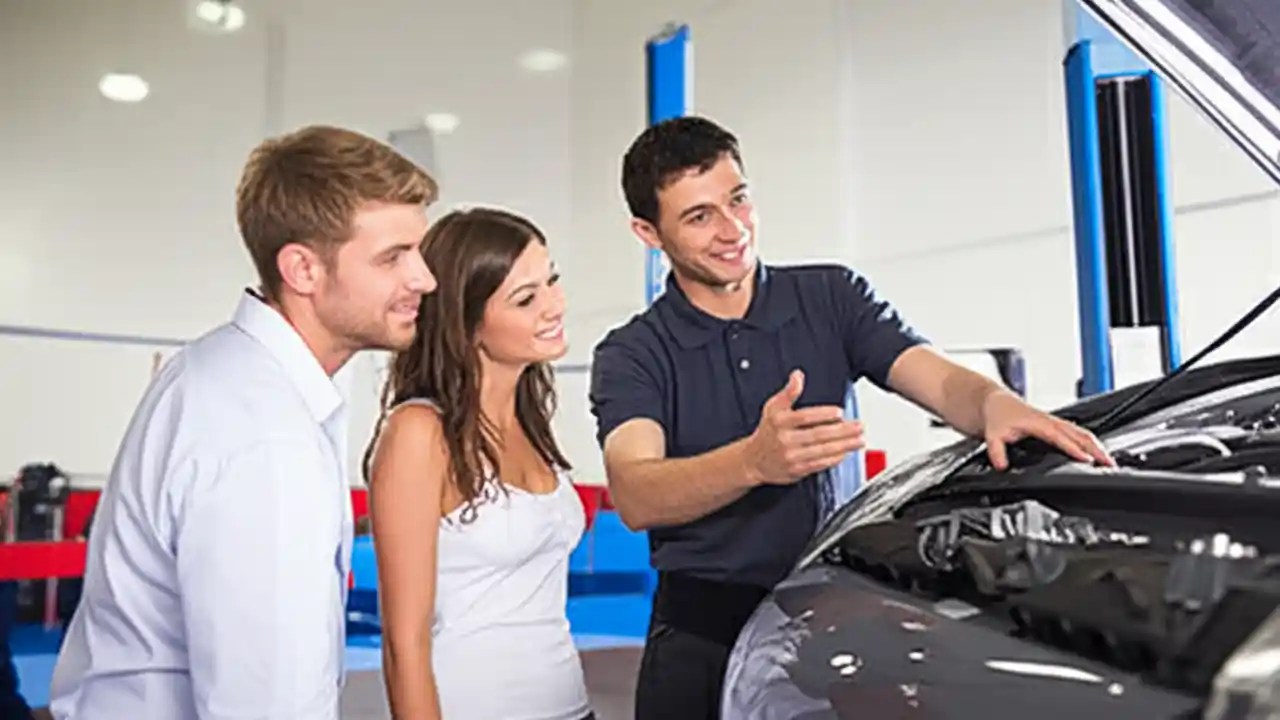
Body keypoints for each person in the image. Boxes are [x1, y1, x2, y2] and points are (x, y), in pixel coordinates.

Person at [588, 115, 1115, 720]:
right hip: (704, 638)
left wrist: (995, 404)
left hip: (837, 618)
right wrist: (753, 463)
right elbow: (636, 492)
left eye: (738, 199)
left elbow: (941, 380)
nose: (733, 229)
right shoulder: (632, 353)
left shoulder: (832, 297)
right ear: (648, 232)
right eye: (699, 216)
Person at [47, 125, 439, 719]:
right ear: (302, 270)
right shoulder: (263, 436)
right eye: (393, 257)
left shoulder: (224, 373)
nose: (424, 279)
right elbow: (266, 703)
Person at [365, 207, 593, 720]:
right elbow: (404, 644)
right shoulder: (420, 433)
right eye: (526, 298)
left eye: (552, 280)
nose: (555, 305)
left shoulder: (530, 421)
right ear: (467, 325)